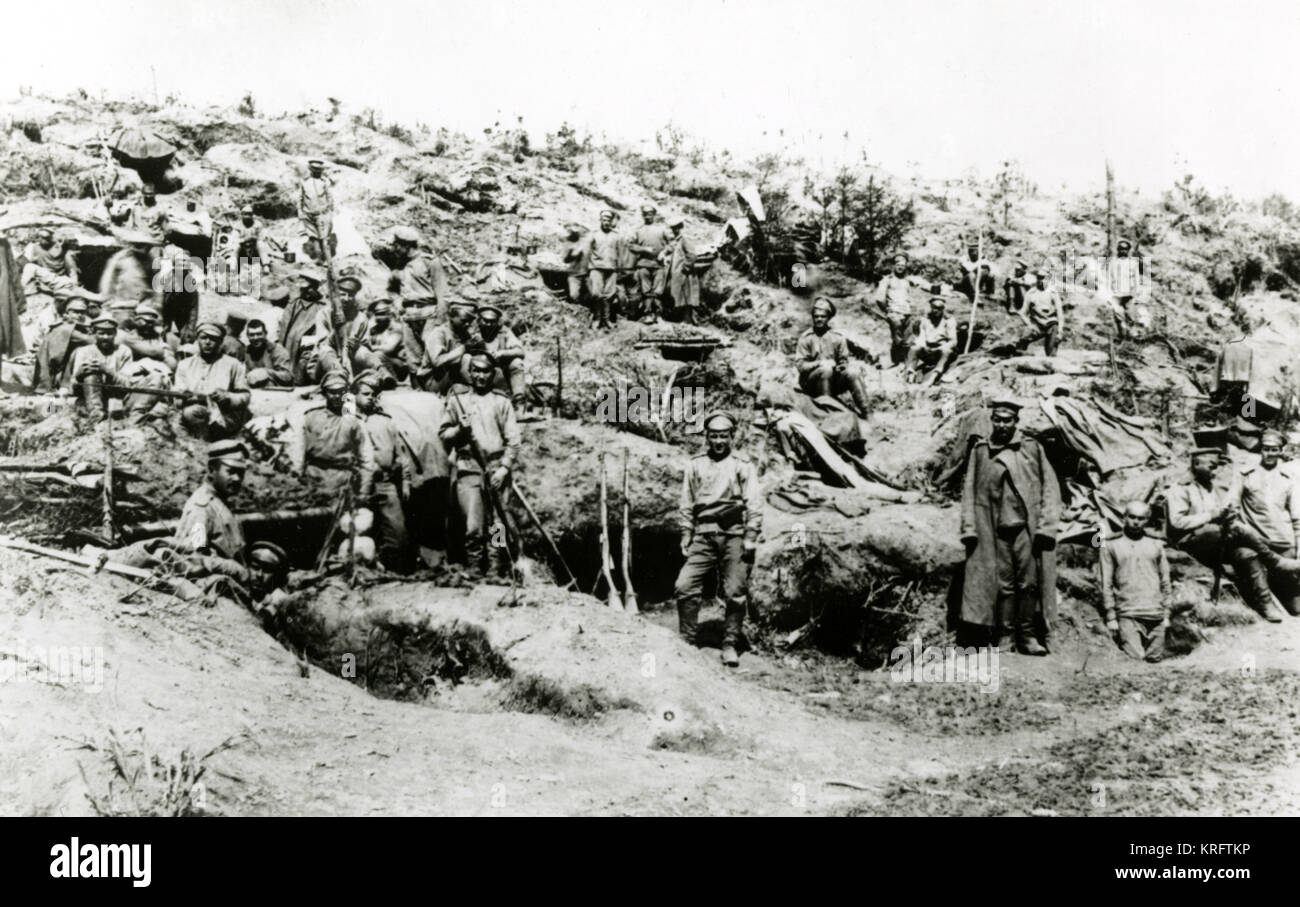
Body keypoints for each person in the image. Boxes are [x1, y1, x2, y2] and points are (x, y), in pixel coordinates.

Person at [959, 398, 1060, 655]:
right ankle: (1005, 636)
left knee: (1029, 583)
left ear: (1016, 421)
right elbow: (969, 490)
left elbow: (1050, 487)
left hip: (1026, 528)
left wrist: (1047, 526)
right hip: (994, 528)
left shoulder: (1031, 448)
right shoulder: (981, 451)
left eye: (1008, 420)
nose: (1002, 425)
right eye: (998, 420)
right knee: (1002, 584)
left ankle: (1027, 635)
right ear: (992, 420)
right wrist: (969, 526)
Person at [1165, 445, 1300, 623]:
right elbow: (1177, 522)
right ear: (1196, 464)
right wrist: (1212, 515)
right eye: (1212, 467)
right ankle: (1274, 561)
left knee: (1247, 553)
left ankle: (1266, 603)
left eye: (1216, 467)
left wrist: (1225, 516)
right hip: (1190, 541)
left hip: (1214, 540)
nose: (1215, 472)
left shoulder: (1211, 487)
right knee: (1238, 529)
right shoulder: (1181, 488)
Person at [672, 412, 763, 667]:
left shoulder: (742, 465)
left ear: (731, 436)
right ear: (707, 437)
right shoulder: (696, 464)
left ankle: (730, 643)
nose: (719, 441)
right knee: (684, 585)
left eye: (724, 436)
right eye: (714, 436)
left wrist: (751, 535)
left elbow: (754, 503)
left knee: (735, 592)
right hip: (703, 534)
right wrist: (686, 532)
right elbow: (686, 502)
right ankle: (687, 640)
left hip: (733, 533)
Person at [439, 353, 520, 578]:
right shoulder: (457, 401)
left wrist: (504, 468)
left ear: (492, 374)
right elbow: (444, 435)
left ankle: (495, 565)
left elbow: (513, 440)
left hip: (496, 468)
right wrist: (459, 429)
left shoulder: (502, 402)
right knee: (473, 524)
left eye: (485, 371)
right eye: (476, 370)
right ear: (470, 372)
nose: (480, 376)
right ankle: (474, 566)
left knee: (497, 522)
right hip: (469, 468)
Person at [1236, 430, 1300, 618]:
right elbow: (1232, 504)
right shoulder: (1246, 474)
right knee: (1249, 560)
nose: (1270, 454)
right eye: (1266, 449)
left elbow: (1297, 517)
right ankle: (1264, 602)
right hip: (1257, 541)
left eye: (1274, 450)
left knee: (1296, 608)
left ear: (1281, 451)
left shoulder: (1289, 478)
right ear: (1260, 450)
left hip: (1284, 543)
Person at [353, 372, 412, 572]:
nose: (370, 398)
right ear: (355, 395)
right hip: (358, 486)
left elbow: (400, 454)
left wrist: (405, 481)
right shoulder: (349, 421)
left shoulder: (385, 421)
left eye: (373, 394)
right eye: (365, 394)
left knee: (398, 534)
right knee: (358, 532)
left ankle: (394, 572)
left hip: (385, 483)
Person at [1099, 501, 1172, 661]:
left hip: (1155, 614)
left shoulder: (1156, 543)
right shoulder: (1110, 544)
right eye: (1132, 517)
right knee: (1135, 659)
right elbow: (1105, 582)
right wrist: (1110, 615)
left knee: (1155, 659)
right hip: (1128, 613)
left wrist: (1167, 612)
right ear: (1124, 517)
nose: (1136, 522)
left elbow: (1165, 580)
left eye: (1141, 518)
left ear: (1147, 520)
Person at [300, 370, 376, 496]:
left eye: (341, 392)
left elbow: (367, 459)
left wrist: (364, 491)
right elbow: (298, 454)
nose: (336, 396)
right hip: (313, 480)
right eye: (332, 392)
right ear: (324, 393)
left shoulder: (354, 422)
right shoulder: (310, 417)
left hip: (343, 482)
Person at [173, 439, 248, 566]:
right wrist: (235, 569)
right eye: (231, 472)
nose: (237, 479)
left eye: (241, 473)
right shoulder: (202, 508)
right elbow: (193, 558)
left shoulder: (220, 502)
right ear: (212, 470)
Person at [172, 321, 252, 439]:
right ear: (197, 339)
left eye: (213, 339)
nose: (208, 342)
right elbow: (177, 397)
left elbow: (245, 396)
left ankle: (204, 442)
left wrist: (228, 397)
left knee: (192, 413)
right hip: (190, 413)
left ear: (220, 342)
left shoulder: (233, 364)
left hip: (222, 416)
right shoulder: (184, 365)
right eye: (203, 338)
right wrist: (184, 397)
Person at [795, 297, 870, 415]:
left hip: (832, 382)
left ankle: (867, 413)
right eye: (816, 316)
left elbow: (843, 361)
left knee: (853, 373)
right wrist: (819, 363)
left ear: (828, 318)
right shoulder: (806, 338)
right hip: (811, 384)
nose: (819, 319)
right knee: (826, 369)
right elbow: (800, 366)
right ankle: (828, 411)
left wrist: (841, 366)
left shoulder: (837, 337)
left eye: (823, 316)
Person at [70, 315, 134, 419]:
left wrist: (106, 370)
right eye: (101, 333)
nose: (105, 337)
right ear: (94, 334)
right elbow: (73, 384)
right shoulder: (84, 351)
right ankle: (96, 413)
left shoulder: (124, 351)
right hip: (88, 394)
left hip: (114, 395)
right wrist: (80, 373)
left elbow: (127, 384)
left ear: (115, 334)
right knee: (91, 373)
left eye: (109, 333)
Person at [390, 225, 450, 323]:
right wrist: (397, 301)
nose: (394, 249)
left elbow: (442, 294)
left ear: (407, 246)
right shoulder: (399, 265)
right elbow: (393, 290)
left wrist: (440, 320)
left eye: (397, 246)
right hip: (407, 316)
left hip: (429, 314)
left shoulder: (430, 262)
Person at [276, 267, 326, 385]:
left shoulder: (322, 307)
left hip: (307, 348)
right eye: (303, 289)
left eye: (309, 288)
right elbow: (283, 329)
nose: (306, 291)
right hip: (289, 345)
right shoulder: (294, 304)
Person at [475, 304, 528, 412]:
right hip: (478, 369)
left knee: (517, 363)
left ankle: (519, 400)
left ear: (497, 322)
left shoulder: (504, 332)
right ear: (480, 320)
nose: (489, 324)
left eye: (492, 321)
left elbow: (520, 351)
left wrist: (502, 353)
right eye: (485, 321)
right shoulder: (473, 331)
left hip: (499, 368)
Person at [33, 298, 91, 393]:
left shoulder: (66, 324)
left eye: (82, 312)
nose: (79, 315)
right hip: (51, 376)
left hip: (55, 371)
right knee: (79, 351)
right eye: (75, 312)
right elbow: (91, 340)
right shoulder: (66, 328)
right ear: (67, 313)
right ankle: (66, 387)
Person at [420, 300, 479, 394]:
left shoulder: (463, 332)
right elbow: (437, 362)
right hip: (434, 379)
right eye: (464, 321)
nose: (467, 324)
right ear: (451, 317)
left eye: (470, 321)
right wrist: (464, 348)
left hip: (453, 375)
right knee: (466, 358)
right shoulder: (438, 333)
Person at [629, 204, 672, 323]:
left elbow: (672, 243)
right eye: (645, 214)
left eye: (650, 214)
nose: (647, 216)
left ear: (654, 215)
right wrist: (644, 249)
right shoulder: (638, 230)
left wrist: (664, 252)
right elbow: (631, 246)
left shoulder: (662, 229)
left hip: (659, 264)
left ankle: (658, 315)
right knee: (646, 291)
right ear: (642, 215)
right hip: (643, 264)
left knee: (658, 291)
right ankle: (648, 314)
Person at [905, 294, 958, 385]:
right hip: (928, 349)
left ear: (942, 309)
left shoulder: (949, 320)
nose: (935, 310)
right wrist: (923, 346)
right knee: (914, 348)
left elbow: (953, 341)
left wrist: (940, 347)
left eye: (939, 308)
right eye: (934, 307)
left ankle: (934, 376)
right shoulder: (925, 319)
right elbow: (921, 336)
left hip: (941, 350)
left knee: (946, 351)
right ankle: (911, 374)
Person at [873, 253, 915, 365]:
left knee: (908, 340)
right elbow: (879, 298)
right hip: (895, 313)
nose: (900, 267)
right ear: (894, 266)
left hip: (907, 313)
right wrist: (887, 311)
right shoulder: (887, 280)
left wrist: (911, 308)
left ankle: (906, 363)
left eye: (903, 265)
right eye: (898, 264)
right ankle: (896, 362)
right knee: (898, 339)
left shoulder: (906, 281)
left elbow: (909, 296)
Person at [586, 210, 624, 329]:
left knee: (609, 295)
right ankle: (597, 319)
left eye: (608, 220)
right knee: (596, 294)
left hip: (611, 268)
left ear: (612, 221)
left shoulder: (616, 236)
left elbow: (620, 253)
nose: (606, 222)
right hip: (596, 267)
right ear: (601, 220)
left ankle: (606, 320)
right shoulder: (594, 234)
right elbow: (586, 251)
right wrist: (588, 267)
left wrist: (619, 268)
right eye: (604, 220)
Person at [663, 215, 702, 325]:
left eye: (676, 227)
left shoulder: (685, 239)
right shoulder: (677, 240)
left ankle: (687, 319)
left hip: (685, 273)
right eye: (673, 228)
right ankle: (681, 318)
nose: (674, 230)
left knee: (687, 295)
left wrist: (685, 267)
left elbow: (692, 255)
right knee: (679, 294)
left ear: (681, 227)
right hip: (677, 272)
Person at [298, 158, 336, 261]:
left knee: (324, 238)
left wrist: (329, 211)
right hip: (308, 214)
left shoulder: (325, 182)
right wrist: (300, 212)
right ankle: (318, 259)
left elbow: (330, 198)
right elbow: (300, 198)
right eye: (314, 169)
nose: (317, 171)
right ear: (310, 170)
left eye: (319, 170)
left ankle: (329, 262)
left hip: (322, 214)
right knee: (313, 237)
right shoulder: (305, 182)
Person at [1105, 238, 1143, 339]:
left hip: (1129, 294)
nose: (1123, 251)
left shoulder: (1133, 263)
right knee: (1118, 314)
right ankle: (1122, 335)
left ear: (1128, 250)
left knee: (1130, 314)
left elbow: (1136, 279)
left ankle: (1132, 336)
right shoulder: (1113, 263)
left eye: (1125, 249)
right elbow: (1109, 278)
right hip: (1116, 294)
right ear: (1118, 250)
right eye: (1121, 249)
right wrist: (1109, 294)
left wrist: (1136, 294)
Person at [242, 319, 294, 388]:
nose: (255, 338)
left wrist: (266, 373)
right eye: (252, 335)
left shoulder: (277, 350)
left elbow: (288, 376)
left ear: (265, 334)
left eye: (259, 334)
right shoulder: (246, 351)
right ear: (247, 336)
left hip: (274, 391)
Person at [562, 223, 590, 304]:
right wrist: (572, 255)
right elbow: (565, 260)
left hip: (587, 273)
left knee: (594, 294)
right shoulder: (567, 243)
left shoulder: (586, 241)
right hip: (574, 273)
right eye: (571, 231)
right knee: (574, 295)